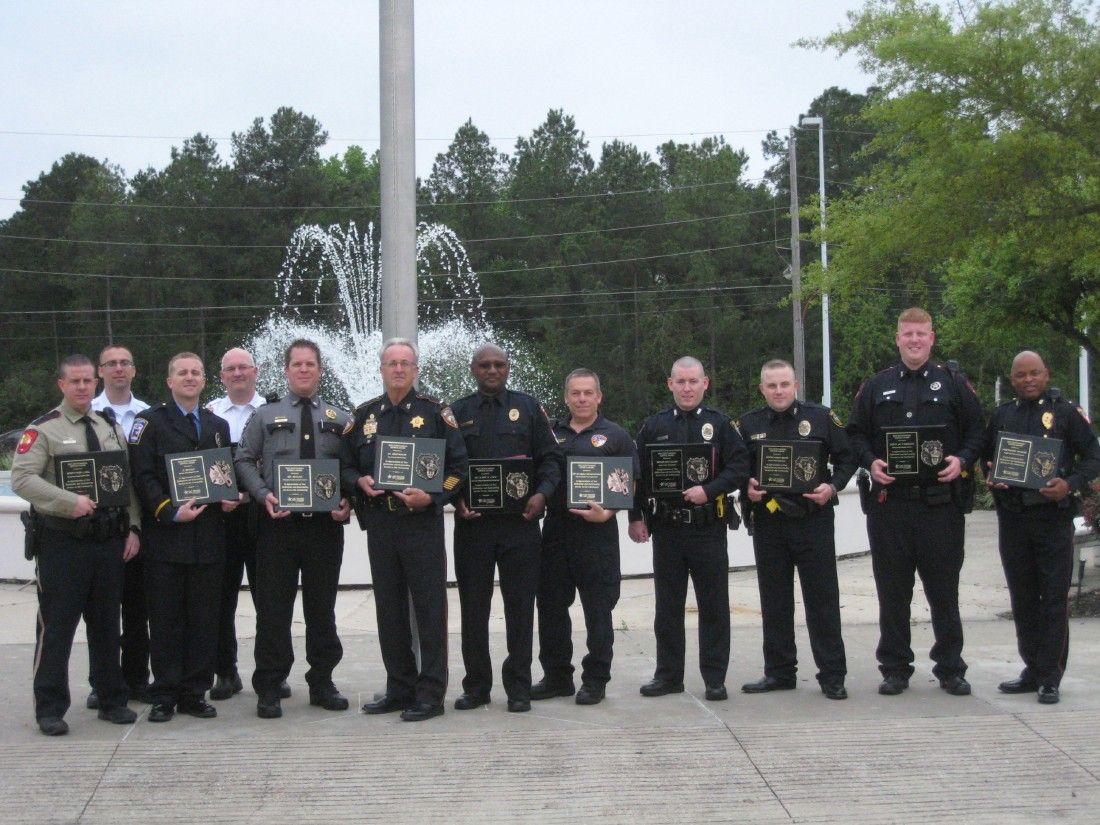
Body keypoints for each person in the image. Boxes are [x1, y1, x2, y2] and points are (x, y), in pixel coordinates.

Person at [847, 307, 984, 697]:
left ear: (932, 337)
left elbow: (978, 432)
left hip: (940, 506)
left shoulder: (954, 384)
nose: (914, 341)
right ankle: (895, 668)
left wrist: (963, 460)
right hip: (890, 507)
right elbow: (855, 434)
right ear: (897, 338)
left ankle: (950, 668)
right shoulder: (876, 386)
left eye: (921, 334)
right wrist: (871, 461)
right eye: (907, 334)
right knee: (893, 593)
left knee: (943, 592)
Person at [11, 354, 140, 735]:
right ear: (62, 385)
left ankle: (110, 697)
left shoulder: (108, 426)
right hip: (62, 543)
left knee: (105, 625)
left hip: (106, 542)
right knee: (57, 627)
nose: (83, 387)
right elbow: (22, 479)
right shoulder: (44, 430)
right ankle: (50, 707)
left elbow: (125, 482)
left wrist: (133, 528)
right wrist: (70, 502)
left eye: (88, 381)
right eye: (76, 381)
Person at [341, 338, 468, 722]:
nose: (398, 369)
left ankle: (430, 694)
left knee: (429, 608)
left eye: (405, 364)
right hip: (381, 524)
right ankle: (399, 686)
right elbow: (344, 465)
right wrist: (359, 481)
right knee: (389, 608)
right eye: (392, 363)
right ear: (381, 369)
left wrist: (431, 498)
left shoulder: (435, 413)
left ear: (415, 370)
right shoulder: (363, 415)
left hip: (420, 525)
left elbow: (458, 469)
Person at [235, 339, 353, 719]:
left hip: (323, 529)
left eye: (310, 364)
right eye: (297, 364)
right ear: (286, 370)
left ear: (319, 370)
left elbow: (350, 468)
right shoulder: (265, 416)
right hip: (278, 528)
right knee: (273, 610)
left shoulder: (340, 418)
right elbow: (243, 459)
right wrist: (262, 493)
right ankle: (269, 687)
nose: (304, 370)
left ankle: (322, 681)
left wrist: (347, 501)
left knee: (323, 608)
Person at [628, 356, 749, 700]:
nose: (687, 388)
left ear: (705, 383)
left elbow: (739, 467)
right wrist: (636, 516)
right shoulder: (653, 427)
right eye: (680, 382)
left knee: (713, 606)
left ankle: (714, 678)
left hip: (707, 529)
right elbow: (637, 477)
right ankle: (668, 676)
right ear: (670, 384)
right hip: (666, 529)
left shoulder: (721, 426)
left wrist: (709, 490)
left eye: (693, 381)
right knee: (667, 607)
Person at [983, 350, 1100, 704]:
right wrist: (991, 475)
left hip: (1052, 518)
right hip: (1014, 518)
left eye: (1035, 373)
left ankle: (1051, 675)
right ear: (1013, 379)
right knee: (1022, 598)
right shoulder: (1003, 415)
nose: (1028, 380)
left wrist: (1071, 483)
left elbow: (1093, 458)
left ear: (1046, 374)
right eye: (1021, 375)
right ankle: (1032, 668)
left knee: (1052, 598)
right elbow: (986, 458)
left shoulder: (1066, 413)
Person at [449, 344, 560, 713]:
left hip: (520, 527)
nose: (492, 370)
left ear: (508, 368)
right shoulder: (455, 412)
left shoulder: (528, 408)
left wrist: (542, 494)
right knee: (473, 610)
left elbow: (551, 459)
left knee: (520, 608)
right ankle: (477, 686)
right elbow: (446, 467)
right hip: (473, 527)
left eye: (498, 364)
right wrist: (456, 500)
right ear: (473, 369)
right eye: (484, 365)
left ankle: (518, 687)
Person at [129, 352, 239, 722]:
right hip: (166, 540)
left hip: (208, 540)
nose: (189, 378)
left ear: (205, 380)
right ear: (169, 381)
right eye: (182, 373)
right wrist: (168, 509)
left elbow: (222, 474)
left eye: (195, 372)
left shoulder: (217, 424)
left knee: (204, 620)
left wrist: (227, 499)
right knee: (165, 621)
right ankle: (164, 695)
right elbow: (142, 477)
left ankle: (195, 692)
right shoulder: (150, 423)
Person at [737, 359, 855, 700]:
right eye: (771, 385)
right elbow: (737, 466)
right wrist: (747, 485)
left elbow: (847, 458)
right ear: (762, 389)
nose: (778, 391)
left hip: (812, 520)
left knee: (822, 600)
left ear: (796, 385)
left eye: (784, 384)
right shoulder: (748, 424)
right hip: (770, 523)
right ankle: (779, 672)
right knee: (775, 601)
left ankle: (832, 675)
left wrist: (832, 487)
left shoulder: (820, 418)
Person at [532, 368, 636, 705]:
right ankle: (557, 676)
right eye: (575, 393)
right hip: (557, 531)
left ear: (599, 396)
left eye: (587, 393)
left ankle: (595, 679)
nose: (581, 399)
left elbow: (628, 480)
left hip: (597, 533)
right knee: (550, 608)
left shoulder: (616, 435)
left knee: (598, 610)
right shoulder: (550, 434)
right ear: (566, 397)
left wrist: (609, 512)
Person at [206, 347, 290, 702]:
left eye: (244, 367)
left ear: (256, 371)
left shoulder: (274, 411)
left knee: (271, 600)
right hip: (221, 517)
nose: (238, 373)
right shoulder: (208, 413)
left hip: (263, 515)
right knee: (219, 599)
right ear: (222, 375)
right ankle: (225, 672)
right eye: (230, 369)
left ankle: (274, 673)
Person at [87, 343, 151, 709]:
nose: (118, 369)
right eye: (111, 364)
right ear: (100, 372)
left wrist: (138, 527)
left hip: (140, 527)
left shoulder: (148, 415)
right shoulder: (87, 412)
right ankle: (102, 682)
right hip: (98, 530)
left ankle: (138, 679)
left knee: (138, 610)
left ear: (134, 370)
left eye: (125, 362)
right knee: (103, 614)